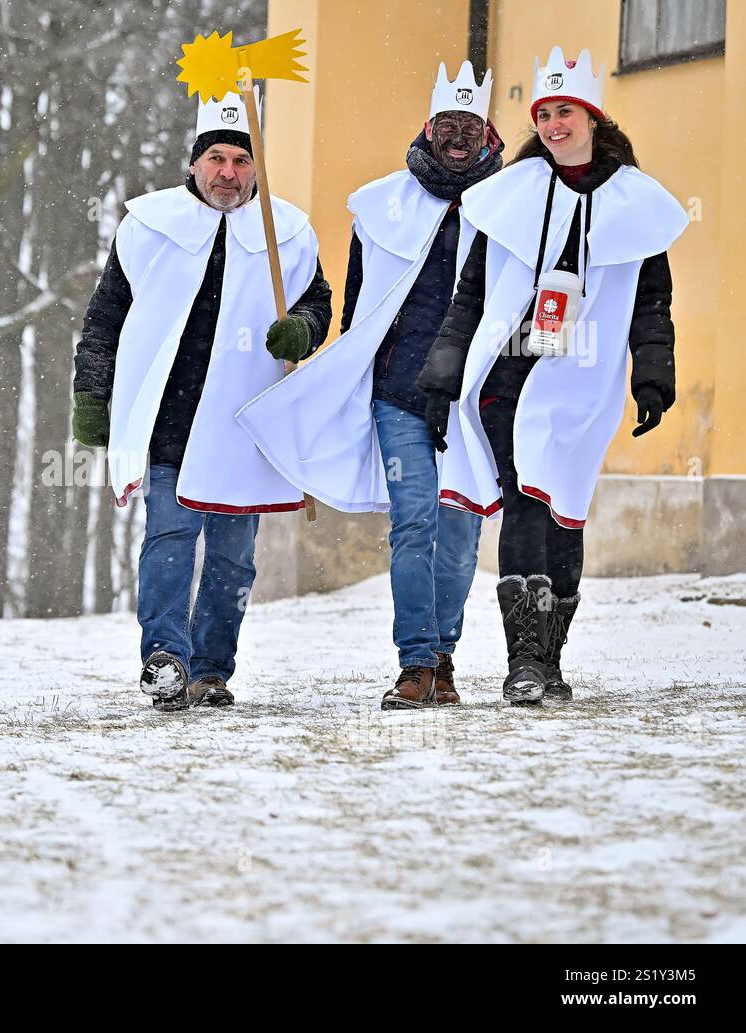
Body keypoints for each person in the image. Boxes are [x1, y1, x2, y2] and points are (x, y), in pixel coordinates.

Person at [417, 47, 688, 704]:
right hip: (508, 376)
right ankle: (524, 662)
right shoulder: (509, 195)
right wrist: (442, 376)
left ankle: (552, 657)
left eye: (565, 111)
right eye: (543, 113)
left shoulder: (635, 202)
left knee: (564, 511)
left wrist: (652, 375)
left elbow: (652, 300)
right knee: (526, 500)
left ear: (591, 115)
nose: (553, 124)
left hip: (583, 383)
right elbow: (470, 296)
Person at [237, 62, 502, 709]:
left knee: (461, 530)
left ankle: (444, 656)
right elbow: (360, 316)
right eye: (448, 124)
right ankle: (414, 662)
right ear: (429, 128)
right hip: (400, 395)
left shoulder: (511, 209)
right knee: (414, 524)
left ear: (488, 132)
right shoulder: (382, 207)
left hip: (471, 398)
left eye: (469, 124)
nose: (458, 135)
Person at [72, 90, 333, 711]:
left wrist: (301, 327)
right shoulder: (148, 226)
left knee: (233, 556)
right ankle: (165, 659)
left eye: (241, 161)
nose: (228, 172)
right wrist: (93, 389)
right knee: (169, 534)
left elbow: (318, 304)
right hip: (167, 410)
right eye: (216, 158)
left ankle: (213, 667)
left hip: (242, 417)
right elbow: (106, 317)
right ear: (193, 164)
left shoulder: (285, 232)